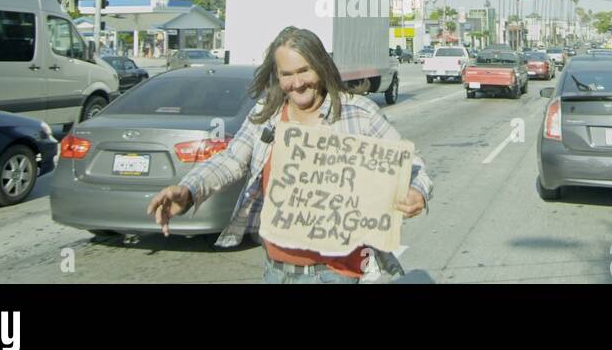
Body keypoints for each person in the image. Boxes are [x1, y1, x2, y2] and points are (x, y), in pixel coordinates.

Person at [147, 26, 433, 284]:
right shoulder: (267, 115)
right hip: (276, 270)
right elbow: (231, 160)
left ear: (321, 67)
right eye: (287, 74)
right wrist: (189, 189)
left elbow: (412, 165)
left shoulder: (357, 113)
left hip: (335, 273)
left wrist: (416, 191)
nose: (297, 83)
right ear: (277, 75)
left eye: (305, 70)